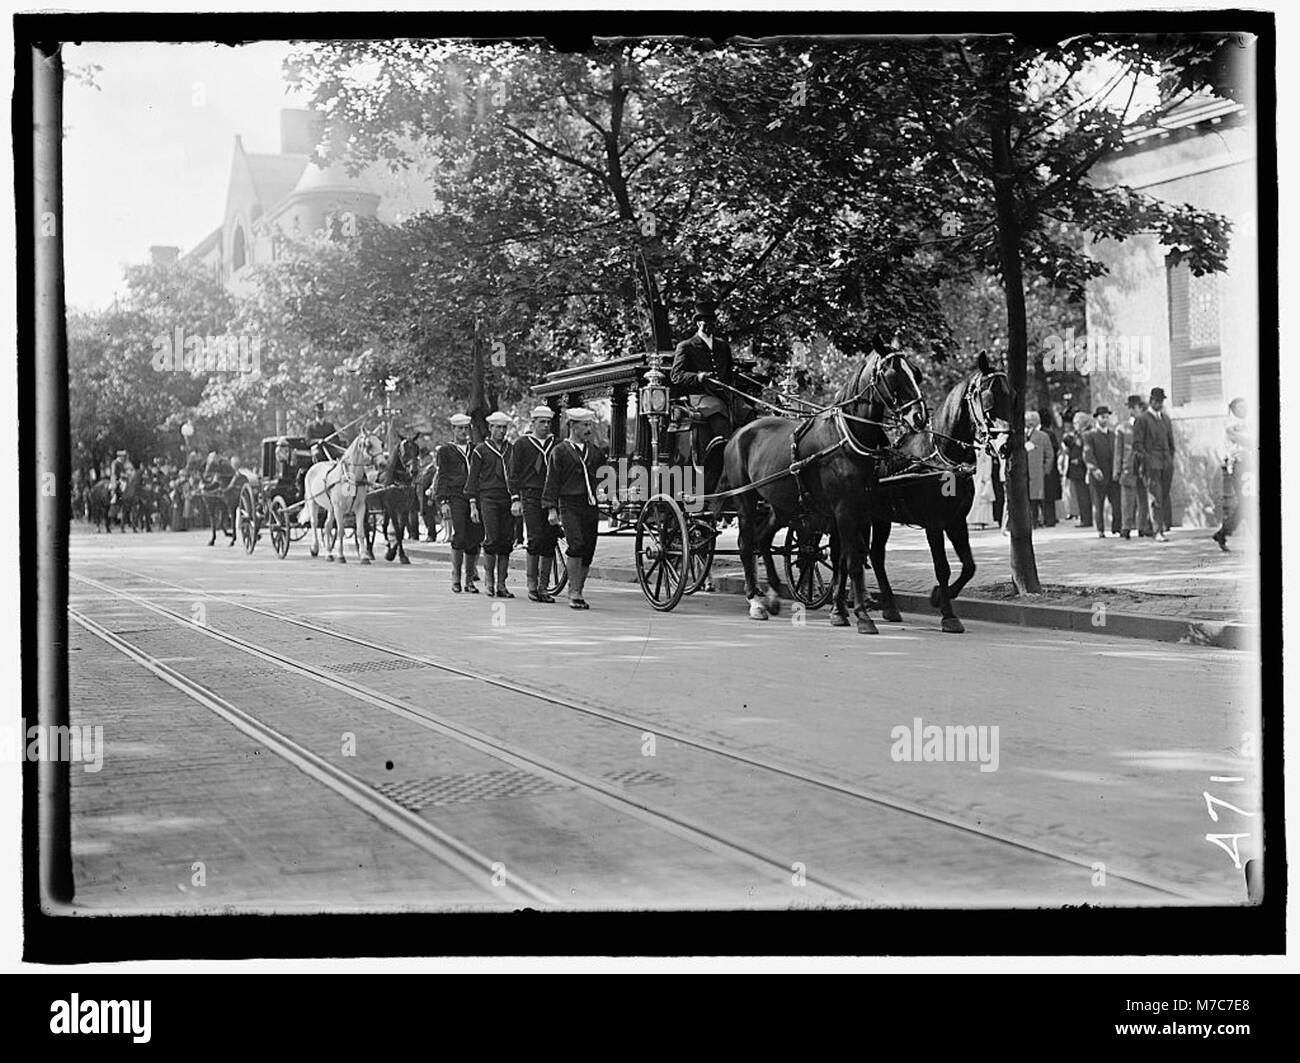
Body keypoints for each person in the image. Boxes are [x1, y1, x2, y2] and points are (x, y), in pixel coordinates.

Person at [541, 407, 607, 609]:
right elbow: (552, 481)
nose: (588, 429)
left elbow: (604, 477)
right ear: (572, 426)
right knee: (576, 544)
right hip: (569, 504)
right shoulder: (559, 451)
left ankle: (580, 587)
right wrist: (551, 509)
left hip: (590, 504)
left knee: (588, 548)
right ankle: (574, 591)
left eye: (590, 425)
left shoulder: (595, 452)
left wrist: (608, 494)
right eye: (584, 425)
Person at [670, 287, 738, 464]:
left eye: (710, 320)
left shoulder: (723, 346)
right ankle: (725, 458)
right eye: (703, 320)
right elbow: (676, 376)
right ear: (697, 323)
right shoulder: (686, 346)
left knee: (747, 413)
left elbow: (729, 372)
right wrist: (698, 377)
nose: (707, 324)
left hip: (724, 395)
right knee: (718, 413)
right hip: (700, 397)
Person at [509, 405, 559, 602]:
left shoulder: (557, 444)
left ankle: (543, 586)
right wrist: (515, 498)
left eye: (548, 422)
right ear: (533, 423)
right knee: (535, 538)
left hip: (553, 496)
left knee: (550, 539)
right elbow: (513, 473)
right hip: (530, 495)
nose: (546, 426)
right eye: (542, 422)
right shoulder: (522, 444)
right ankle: (531, 583)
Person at [467, 411, 516, 598]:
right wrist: (473, 504)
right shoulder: (480, 450)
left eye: (504, 427)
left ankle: (502, 584)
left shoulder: (511, 449)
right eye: (498, 427)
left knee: (506, 540)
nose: (501, 431)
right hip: (488, 498)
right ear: (490, 428)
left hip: (508, 498)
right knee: (492, 539)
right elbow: (473, 480)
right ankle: (489, 581)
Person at [435, 413, 485, 593]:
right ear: (453, 430)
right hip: (456, 496)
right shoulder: (446, 450)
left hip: (475, 497)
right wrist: (443, 501)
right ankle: (455, 575)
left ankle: (469, 579)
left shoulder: (477, 449)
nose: (464, 432)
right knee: (460, 535)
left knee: (475, 538)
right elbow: (442, 476)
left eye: (466, 428)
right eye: (460, 428)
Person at [1134, 385, 1176, 542]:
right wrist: (1147, 460)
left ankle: (1151, 527)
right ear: (1151, 401)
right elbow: (1137, 444)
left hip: (1166, 464)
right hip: (1151, 465)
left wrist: (1170, 459)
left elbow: (1171, 443)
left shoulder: (1165, 419)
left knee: (1163, 497)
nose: (1159, 404)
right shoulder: (1142, 419)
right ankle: (1158, 531)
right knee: (1155, 497)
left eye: (1161, 401)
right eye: (1157, 401)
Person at [1213, 397, 1253, 551]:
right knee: (1247, 501)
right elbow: (1242, 439)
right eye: (1241, 407)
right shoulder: (1231, 425)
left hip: (1249, 464)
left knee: (1246, 502)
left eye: (1246, 406)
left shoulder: (1248, 423)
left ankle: (1223, 533)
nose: (1245, 410)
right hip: (1239, 464)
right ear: (1235, 409)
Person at [1113, 395, 1153, 539]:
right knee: (1127, 501)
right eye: (1137, 407)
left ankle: (1142, 527)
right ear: (1131, 409)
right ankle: (1126, 527)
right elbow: (1118, 452)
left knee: (1143, 499)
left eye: (1141, 408)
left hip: (1144, 467)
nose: (1139, 410)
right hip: (1128, 467)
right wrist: (1116, 470)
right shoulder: (1122, 428)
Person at [1082, 406, 1121, 538]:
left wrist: (1117, 470)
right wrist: (1094, 469)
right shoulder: (1089, 435)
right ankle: (1100, 529)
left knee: (1116, 502)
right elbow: (1088, 454)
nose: (1105, 419)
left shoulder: (1113, 434)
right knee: (1098, 503)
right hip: (1098, 474)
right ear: (1096, 418)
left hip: (1112, 473)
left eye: (1106, 416)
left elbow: (1117, 453)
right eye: (1102, 416)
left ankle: (1117, 527)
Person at [1061, 411, 1092, 528]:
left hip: (1081, 469)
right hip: (1076, 470)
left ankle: (1086, 519)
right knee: (1080, 496)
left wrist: (1079, 460)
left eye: (1076, 422)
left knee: (1084, 496)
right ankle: (1084, 517)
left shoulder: (1085, 434)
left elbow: (1086, 450)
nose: (1074, 425)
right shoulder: (1078, 434)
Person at [1024, 411, 1054, 527]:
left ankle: (1035, 521)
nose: (1029, 422)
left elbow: (1050, 454)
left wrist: (1045, 470)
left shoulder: (1043, 436)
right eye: (1027, 419)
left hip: (1037, 472)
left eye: (1032, 419)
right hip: (1022, 473)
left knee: (1036, 498)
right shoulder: (1019, 435)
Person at [970, 447, 996, 529]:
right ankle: (974, 520)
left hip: (983, 477)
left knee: (983, 498)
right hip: (975, 476)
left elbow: (988, 464)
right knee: (975, 498)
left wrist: (986, 477)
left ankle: (982, 520)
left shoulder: (984, 449)